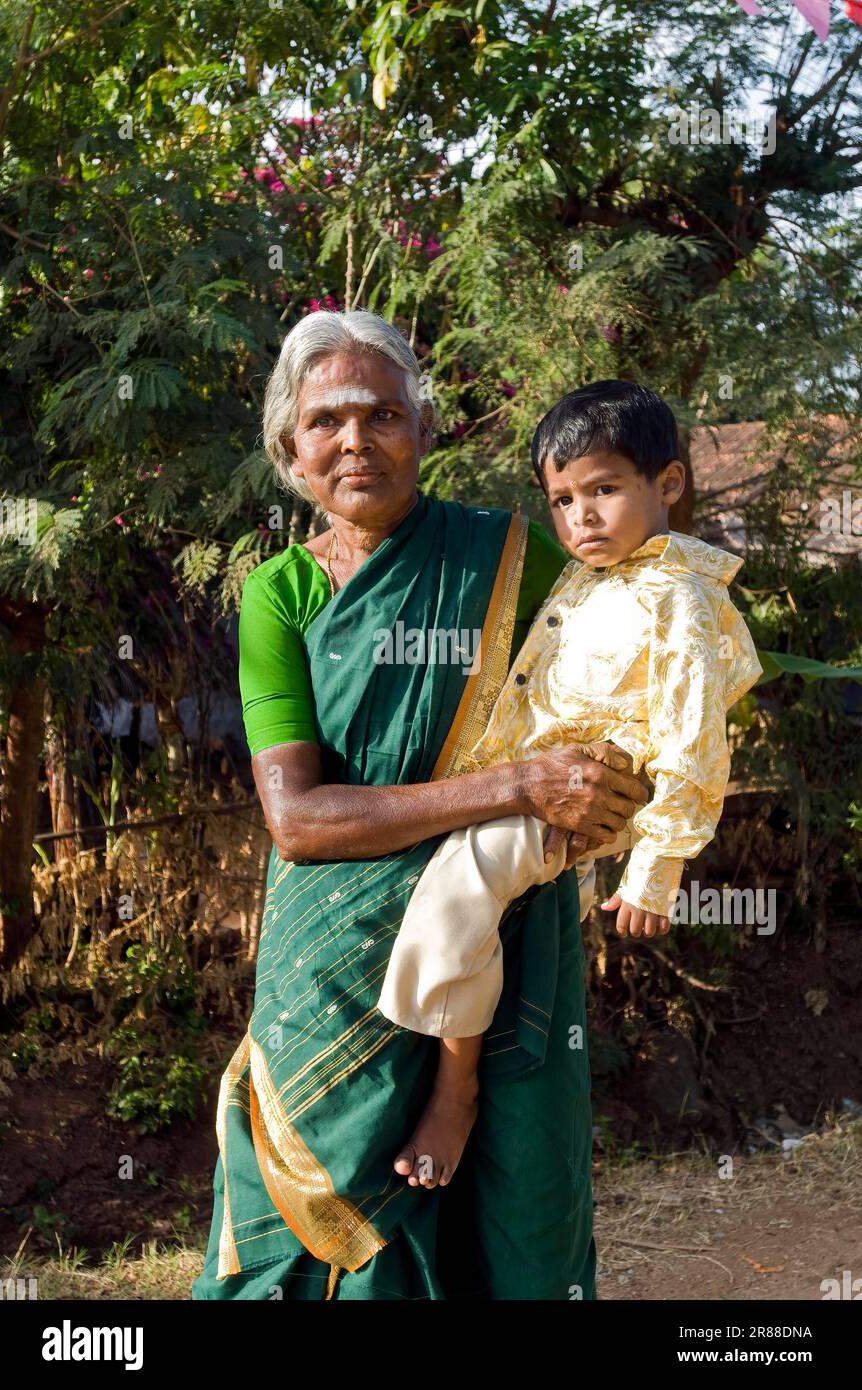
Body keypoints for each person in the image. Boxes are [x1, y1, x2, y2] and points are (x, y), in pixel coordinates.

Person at [191, 313, 648, 1301]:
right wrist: (514, 784)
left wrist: (618, 787)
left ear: (425, 430)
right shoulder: (281, 595)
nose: (356, 441)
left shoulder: (516, 566)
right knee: (320, 1214)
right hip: (333, 966)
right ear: (291, 448)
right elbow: (300, 821)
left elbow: (627, 690)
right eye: (327, 421)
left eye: (384, 414)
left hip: (501, 935)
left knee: (511, 1204)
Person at [377, 380, 762, 1191]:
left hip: (600, 788)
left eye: (604, 489)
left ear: (668, 485)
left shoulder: (679, 597)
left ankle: (434, 1075)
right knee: (468, 891)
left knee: (459, 881)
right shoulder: (588, 580)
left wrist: (657, 871)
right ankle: (449, 1046)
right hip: (535, 784)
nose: (581, 515)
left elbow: (695, 740)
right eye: (561, 498)